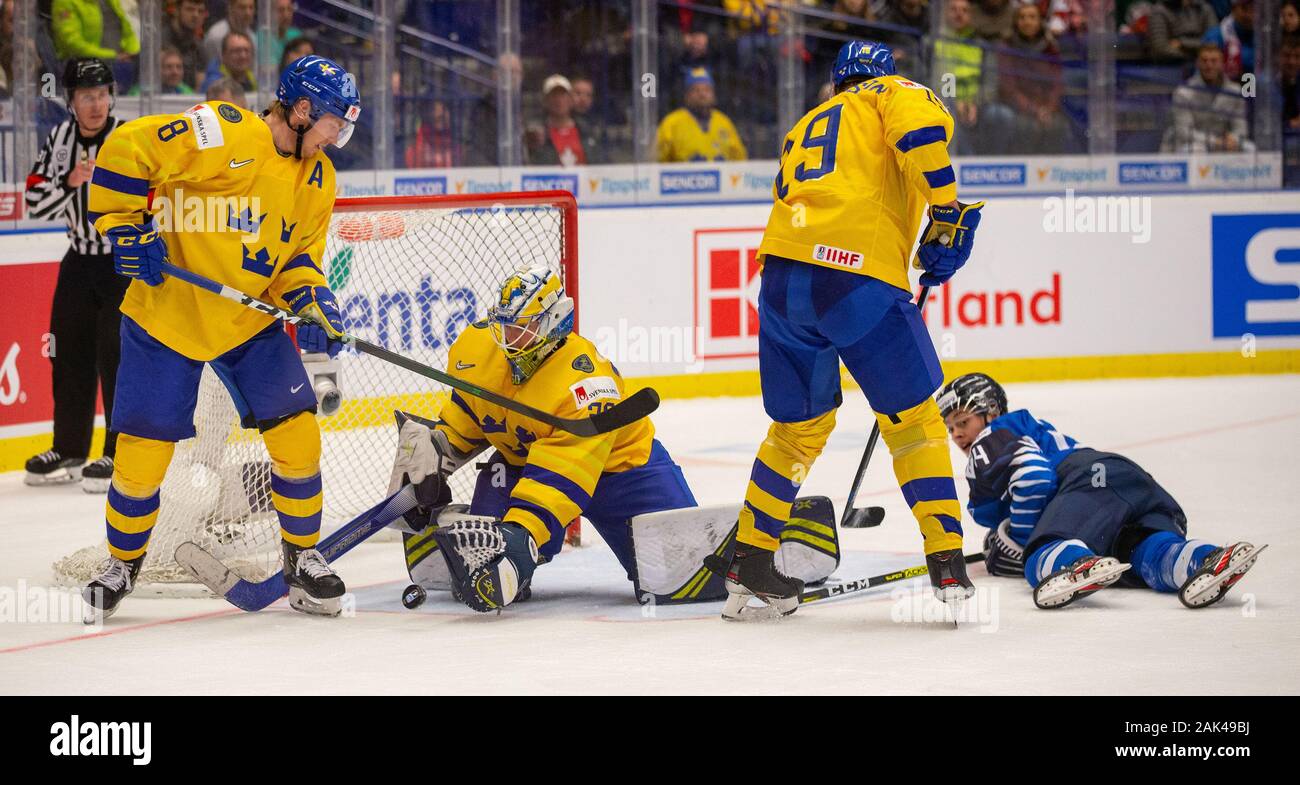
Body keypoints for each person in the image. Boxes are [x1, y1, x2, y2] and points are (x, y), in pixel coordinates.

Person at [82, 54, 362, 621]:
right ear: (302, 109)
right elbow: (127, 149)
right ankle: (120, 565)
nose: (339, 136)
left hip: (246, 323)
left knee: (299, 436)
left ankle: (303, 560)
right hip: (168, 315)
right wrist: (127, 228)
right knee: (141, 457)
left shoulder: (318, 177)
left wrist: (313, 302)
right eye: (336, 122)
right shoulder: (226, 130)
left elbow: (299, 259)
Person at [712, 41, 984, 620]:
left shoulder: (806, 123)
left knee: (796, 431)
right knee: (912, 423)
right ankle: (947, 560)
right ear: (881, 77)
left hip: (782, 280)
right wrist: (948, 212)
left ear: (836, 82)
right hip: (855, 279)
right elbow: (921, 140)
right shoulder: (894, 92)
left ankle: (750, 563)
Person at [387, 267, 698, 612]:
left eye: (521, 328)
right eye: (504, 325)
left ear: (554, 322)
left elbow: (562, 474)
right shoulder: (475, 349)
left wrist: (524, 531)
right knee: (483, 567)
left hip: (622, 473)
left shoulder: (584, 382)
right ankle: (464, 536)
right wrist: (439, 449)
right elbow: (472, 413)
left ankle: (510, 540)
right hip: (522, 466)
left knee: (685, 577)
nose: (508, 338)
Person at [937, 373, 1264, 609]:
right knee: (1143, 552)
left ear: (991, 411)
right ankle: (1202, 559)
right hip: (1127, 481)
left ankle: (1076, 563)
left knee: (1041, 555)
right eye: (950, 428)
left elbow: (1034, 478)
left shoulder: (993, 436)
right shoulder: (1021, 433)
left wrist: (1024, 544)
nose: (957, 435)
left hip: (1082, 483)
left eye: (963, 422)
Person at [23, 59, 126, 492]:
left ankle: (119, 451)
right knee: (68, 354)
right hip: (79, 260)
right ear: (71, 102)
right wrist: (69, 182)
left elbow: (156, 195)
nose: (96, 103)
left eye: (102, 94)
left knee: (116, 358)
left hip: (120, 263)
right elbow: (33, 202)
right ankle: (69, 448)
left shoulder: (125, 138)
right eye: (87, 96)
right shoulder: (60, 140)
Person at [1161, 43, 1253, 152]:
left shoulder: (1235, 91)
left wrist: (1233, 138)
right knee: (1196, 150)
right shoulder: (1183, 92)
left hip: (1225, 144)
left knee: (1250, 148)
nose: (1209, 65)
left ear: (1222, 63)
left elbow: (1241, 128)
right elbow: (1184, 132)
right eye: (1204, 61)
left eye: (1214, 61)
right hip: (1194, 145)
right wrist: (1215, 142)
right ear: (1197, 64)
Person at [655, 67, 747, 162]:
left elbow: (739, 159)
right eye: (696, 90)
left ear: (713, 94)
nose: (702, 94)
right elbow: (657, 160)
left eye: (707, 90)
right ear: (687, 95)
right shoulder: (672, 123)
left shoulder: (724, 122)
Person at [524, 74, 600, 166]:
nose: (559, 100)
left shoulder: (587, 131)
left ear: (570, 99)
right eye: (553, 96)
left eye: (563, 95)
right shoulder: (538, 136)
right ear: (545, 101)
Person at [51, 0, 140, 62]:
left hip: (122, 60)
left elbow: (127, 27)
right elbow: (72, 43)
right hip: (85, 65)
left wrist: (132, 51)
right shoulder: (64, 2)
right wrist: (113, 56)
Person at [1146, 0, 1220, 64]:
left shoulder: (1205, 8)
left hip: (1204, 64)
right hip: (1169, 66)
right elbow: (1160, 49)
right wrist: (1195, 54)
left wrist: (1182, 43)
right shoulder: (1159, 11)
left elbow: (1213, 43)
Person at [1203, 0, 1256, 82]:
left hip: (1257, 89)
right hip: (1224, 88)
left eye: (1254, 9)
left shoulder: (1267, 35)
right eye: (1244, 9)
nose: (1250, 15)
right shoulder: (1216, 36)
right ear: (1233, 9)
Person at [163, 0, 209, 90]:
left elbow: (200, 86)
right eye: (190, 9)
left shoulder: (199, 46)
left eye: (200, 11)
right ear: (176, 11)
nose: (195, 15)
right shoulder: (160, 41)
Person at [203, 0, 256, 66]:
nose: (248, 13)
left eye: (251, 8)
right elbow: (213, 70)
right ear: (230, 8)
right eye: (242, 7)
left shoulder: (253, 37)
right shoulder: (216, 36)